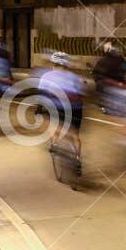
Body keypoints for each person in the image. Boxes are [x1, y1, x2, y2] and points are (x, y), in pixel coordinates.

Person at [37, 51, 86, 181]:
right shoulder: (74, 77)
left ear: (53, 63)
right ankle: (77, 159)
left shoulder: (46, 75)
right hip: (75, 107)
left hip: (56, 106)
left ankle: (55, 144)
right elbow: (80, 93)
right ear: (66, 65)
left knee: (52, 125)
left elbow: (42, 94)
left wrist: (39, 108)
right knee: (75, 135)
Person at [92, 40, 126, 117]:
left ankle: (106, 106)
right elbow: (124, 70)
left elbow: (97, 74)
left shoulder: (103, 60)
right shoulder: (122, 60)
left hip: (108, 83)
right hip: (118, 83)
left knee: (100, 86)